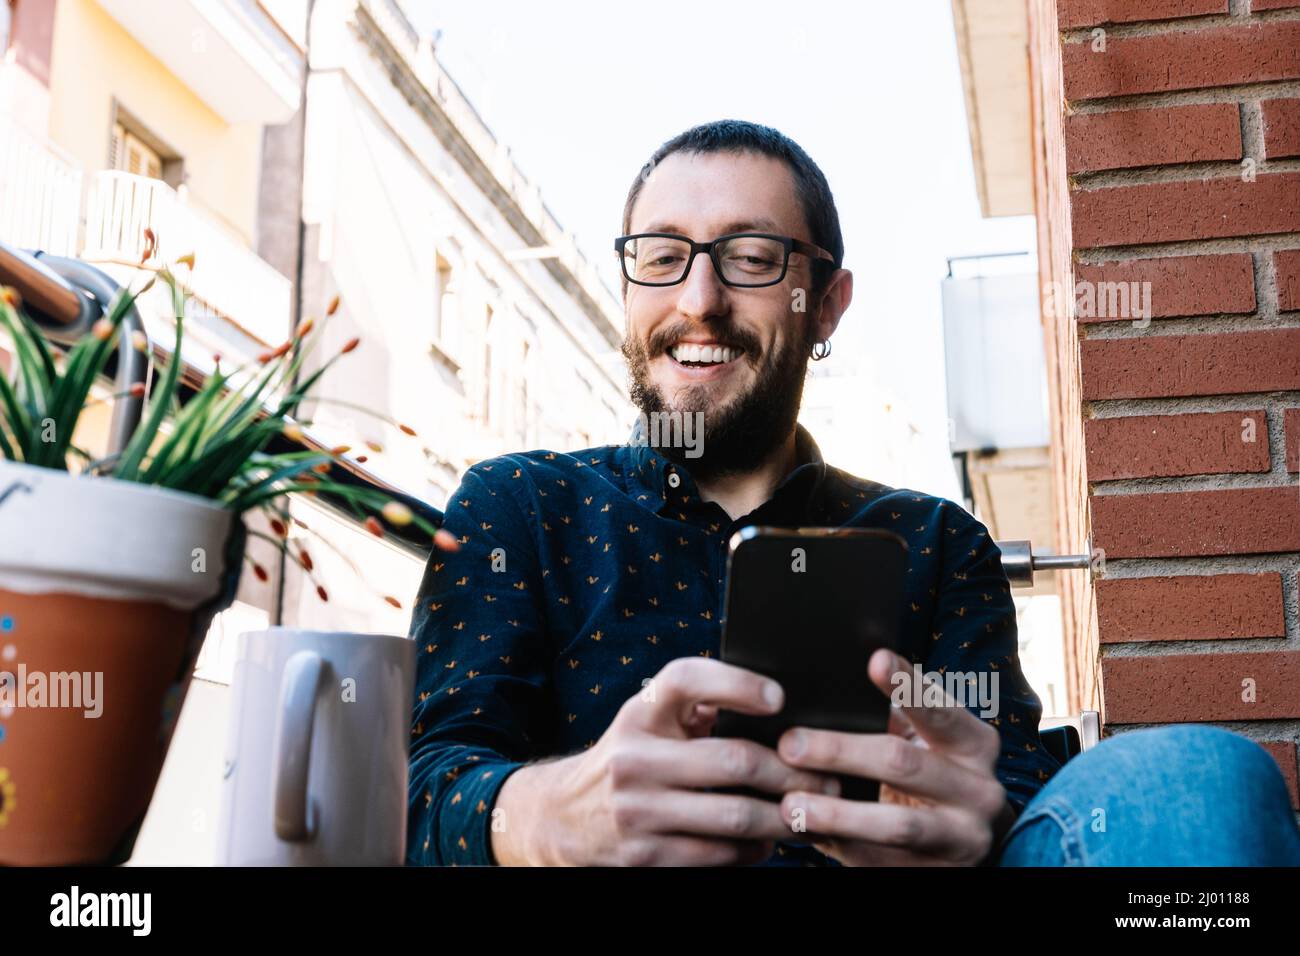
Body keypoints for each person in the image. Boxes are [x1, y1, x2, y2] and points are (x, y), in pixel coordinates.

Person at [406, 119, 1300, 867]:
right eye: (662, 256)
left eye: (752, 258)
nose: (701, 298)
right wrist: (541, 814)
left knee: (1203, 778)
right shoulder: (518, 506)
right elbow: (416, 787)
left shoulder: (937, 541)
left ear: (825, 304)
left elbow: (1028, 796)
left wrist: (975, 826)